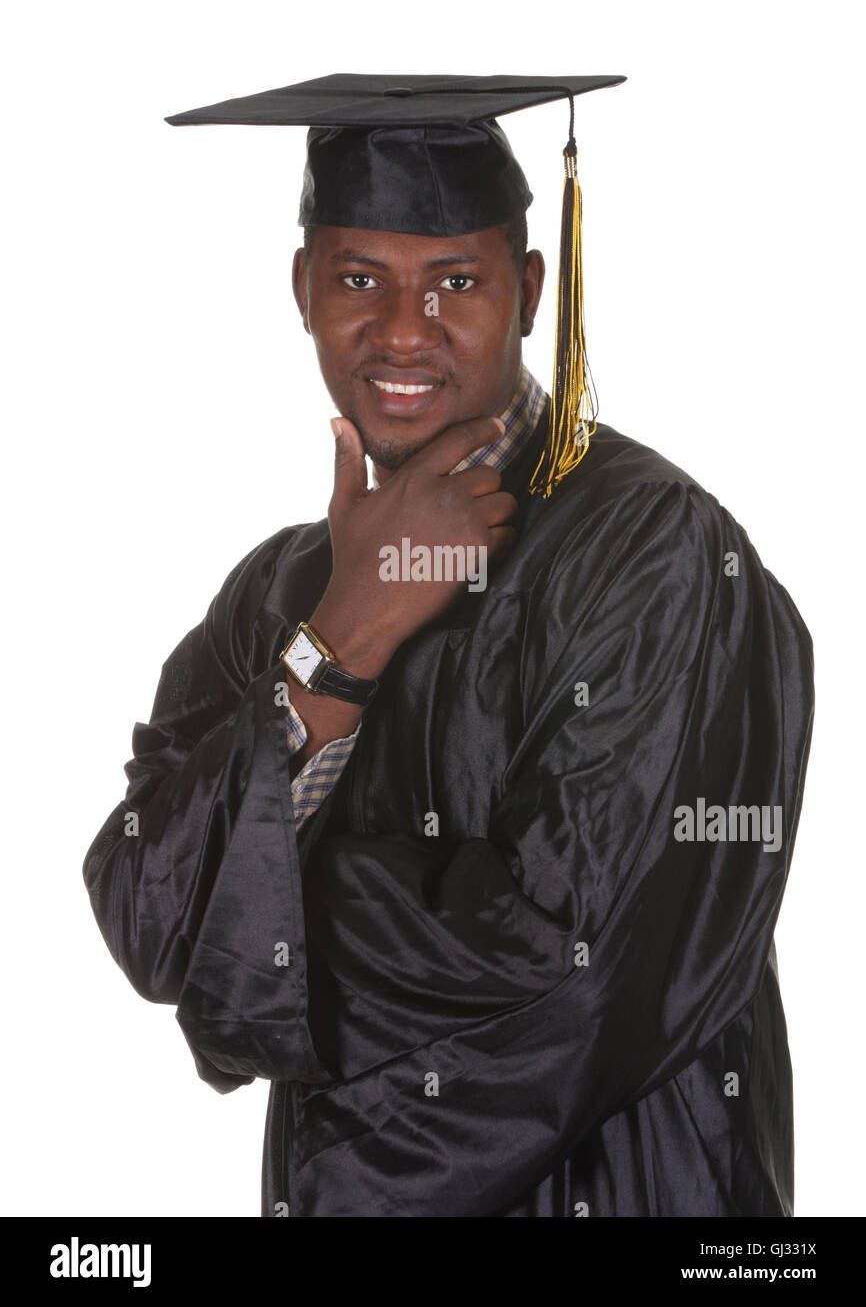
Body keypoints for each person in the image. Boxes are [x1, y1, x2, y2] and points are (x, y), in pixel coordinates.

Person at [83, 74, 814, 1217]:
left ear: (529, 291)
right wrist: (343, 637)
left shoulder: (654, 551)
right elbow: (143, 905)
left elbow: (573, 974)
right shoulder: (282, 587)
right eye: (358, 279)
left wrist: (265, 912)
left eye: (455, 281)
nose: (402, 329)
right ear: (302, 290)